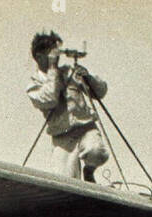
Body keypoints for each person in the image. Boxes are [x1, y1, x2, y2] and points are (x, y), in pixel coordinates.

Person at [26, 30, 109, 182]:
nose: (57, 58)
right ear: (39, 56)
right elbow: (50, 99)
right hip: (62, 136)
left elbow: (100, 92)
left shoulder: (69, 72)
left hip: (85, 127)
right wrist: (52, 70)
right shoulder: (34, 85)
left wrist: (89, 78)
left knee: (97, 152)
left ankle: (89, 171)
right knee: (66, 181)